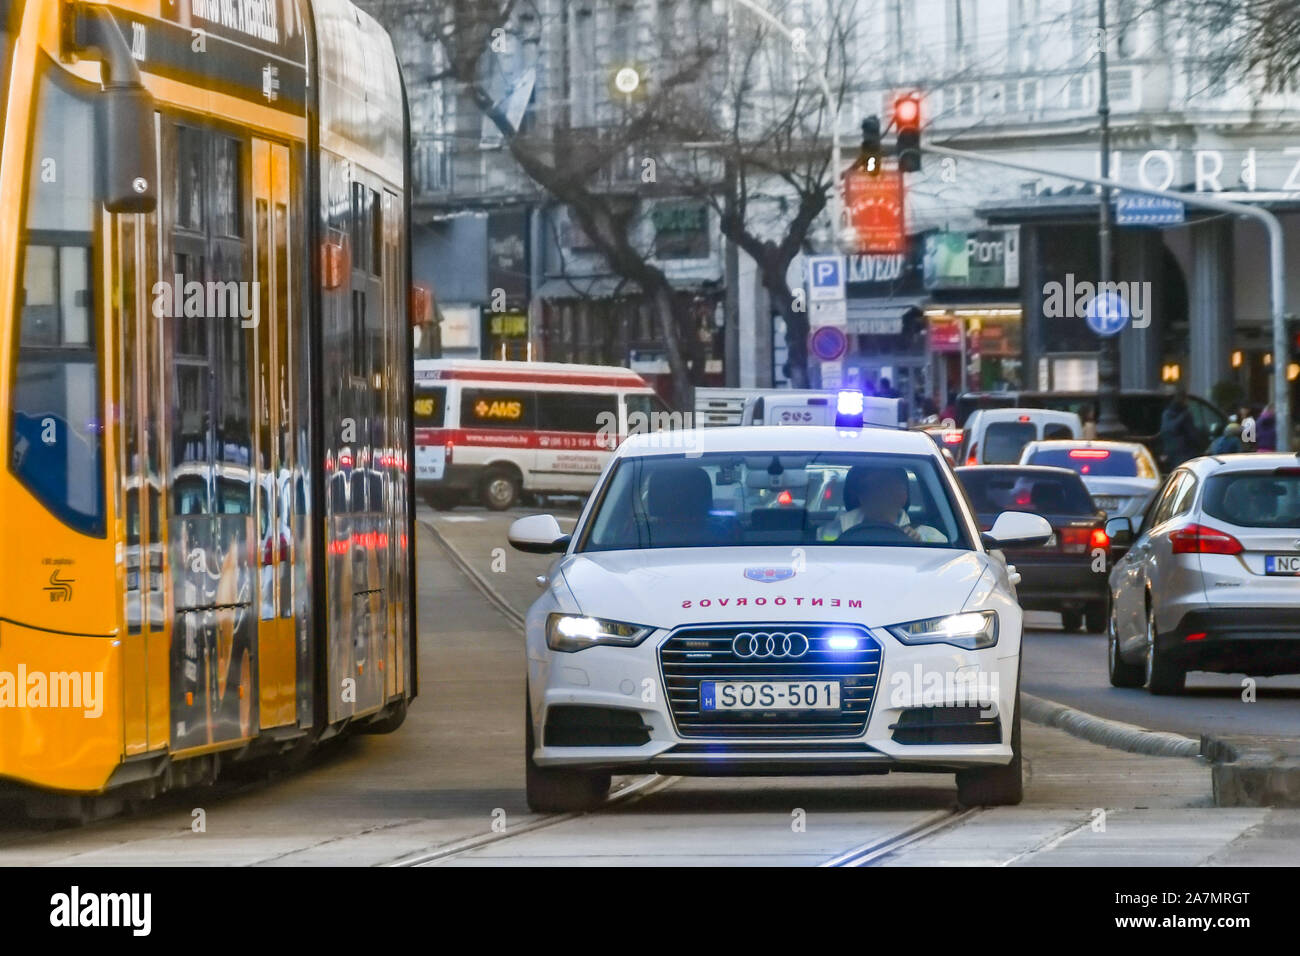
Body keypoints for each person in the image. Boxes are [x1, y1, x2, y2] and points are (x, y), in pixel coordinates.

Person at [818, 465, 946, 543]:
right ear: (862, 496)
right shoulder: (829, 532)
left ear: (903, 497)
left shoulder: (931, 537)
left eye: (890, 488)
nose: (883, 494)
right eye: (875, 488)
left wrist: (918, 547)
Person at [1159, 389, 1205, 468]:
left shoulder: (1166, 413)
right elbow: (1192, 434)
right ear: (1184, 399)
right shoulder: (1185, 414)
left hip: (1170, 452)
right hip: (1184, 452)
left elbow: (1165, 432)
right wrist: (1201, 444)